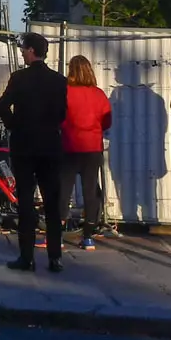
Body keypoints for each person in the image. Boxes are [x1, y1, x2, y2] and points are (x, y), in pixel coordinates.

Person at [0, 32, 69, 273]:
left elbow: (2, 105)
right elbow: (62, 112)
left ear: (30, 51)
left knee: (26, 202)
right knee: (52, 202)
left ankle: (26, 257)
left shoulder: (19, 78)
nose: (21, 53)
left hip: (25, 144)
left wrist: (14, 124)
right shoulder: (59, 80)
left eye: (23, 49)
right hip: (50, 144)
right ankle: (55, 257)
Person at [62, 55, 113, 250]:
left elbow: (58, 116)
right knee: (90, 191)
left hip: (68, 147)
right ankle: (88, 236)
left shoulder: (64, 92)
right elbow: (107, 122)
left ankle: (56, 235)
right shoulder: (99, 94)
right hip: (92, 148)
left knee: (64, 190)